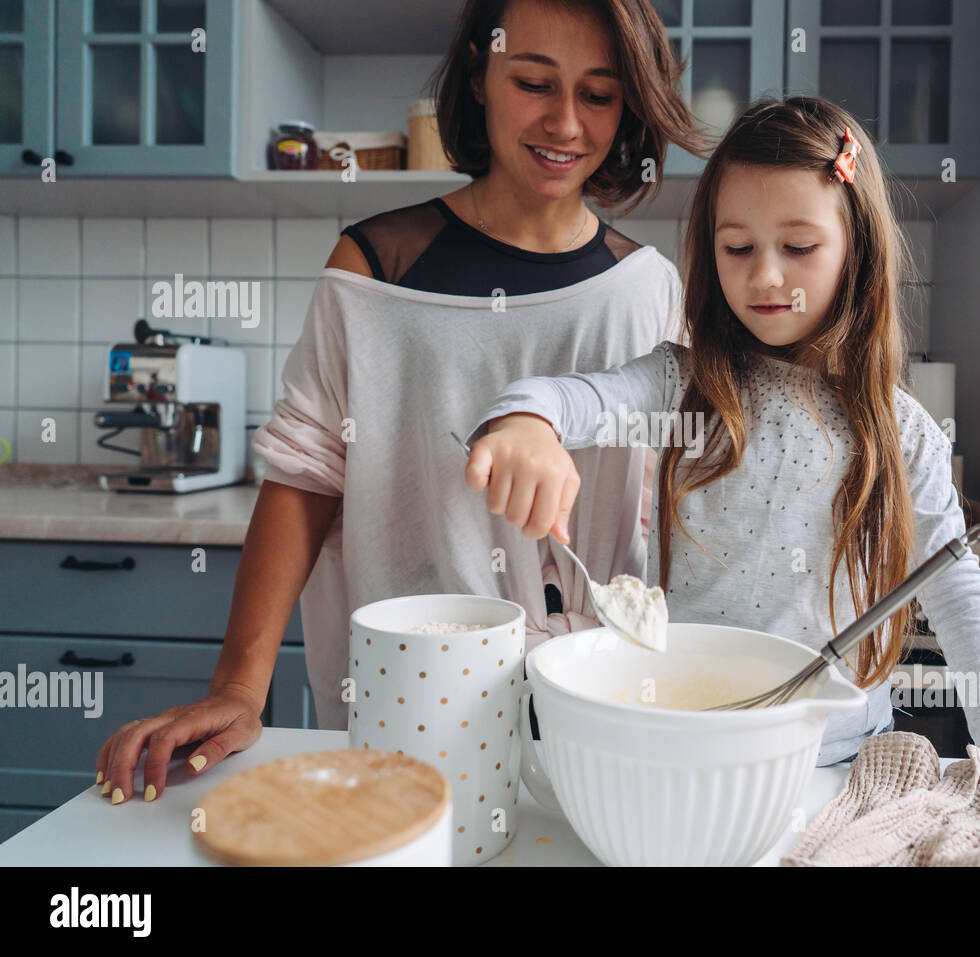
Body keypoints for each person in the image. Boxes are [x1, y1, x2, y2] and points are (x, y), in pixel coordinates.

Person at [463, 96, 980, 867]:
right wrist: (527, 423)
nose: (765, 276)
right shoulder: (679, 386)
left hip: (840, 765)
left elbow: (959, 595)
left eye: (798, 246)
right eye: (737, 248)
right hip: (693, 751)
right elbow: (574, 399)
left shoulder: (899, 431)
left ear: (855, 250)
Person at [92, 0, 707, 804]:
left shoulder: (647, 288)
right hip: (408, 702)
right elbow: (304, 477)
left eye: (598, 95)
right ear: (480, 77)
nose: (565, 123)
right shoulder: (376, 265)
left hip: (591, 710)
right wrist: (240, 689)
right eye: (533, 82)